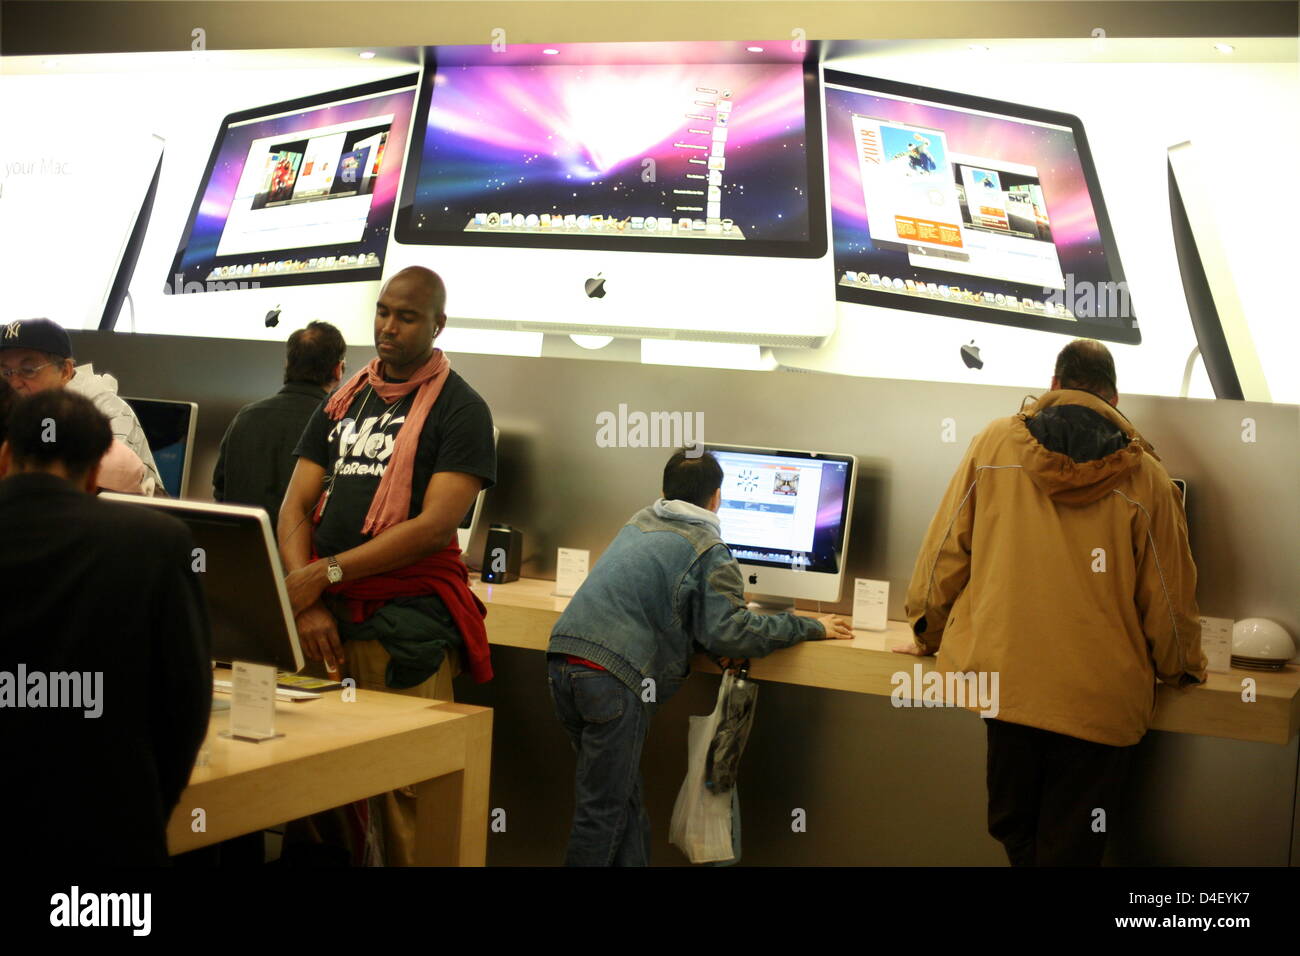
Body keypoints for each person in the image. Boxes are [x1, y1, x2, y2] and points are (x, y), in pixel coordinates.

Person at [899, 338, 1205, 867]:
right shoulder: (1148, 480)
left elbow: (944, 553)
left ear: (1054, 384)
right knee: (1072, 850)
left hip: (1007, 685)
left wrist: (927, 630)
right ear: (1113, 397)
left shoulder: (993, 446)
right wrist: (1181, 670)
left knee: (1016, 832)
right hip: (1098, 702)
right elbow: (1169, 601)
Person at [277, 265, 496, 866]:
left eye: (406, 317)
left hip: (403, 626)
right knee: (317, 792)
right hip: (326, 624)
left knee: (404, 797)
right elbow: (295, 505)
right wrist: (311, 600)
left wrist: (326, 574)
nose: (388, 327)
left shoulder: (461, 408)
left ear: (437, 324)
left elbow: (432, 528)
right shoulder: (345, 399)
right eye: (382, 311)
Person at [548, 449, 854, 866]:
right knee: (601, 814)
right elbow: (729, 631)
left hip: (564, 663)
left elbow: (668, 601)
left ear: (663, 491)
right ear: (717, 499)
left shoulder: (638, 522)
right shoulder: (711, 549)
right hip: (611, 679)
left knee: (622, 802)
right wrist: (810, 626)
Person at [0, 389, 212, 865]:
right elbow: (186, 702)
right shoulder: (156, 542)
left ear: (6, 454)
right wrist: (144, 809)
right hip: (104, 827)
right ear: (97, 470)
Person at [0, 317, 161, 494]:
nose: (15, 382)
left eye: (28, 370)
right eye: (7, 372)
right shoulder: (14, 408)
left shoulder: (108, 411)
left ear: (65, 371)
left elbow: (98, 486)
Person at [213, 320, 346, 524]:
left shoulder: (245, 417)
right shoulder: (338, 426)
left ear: (288, 364)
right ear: (338, 370)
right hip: (301, 553)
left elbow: (220, 491)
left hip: (240, 548)